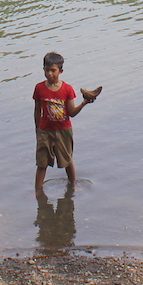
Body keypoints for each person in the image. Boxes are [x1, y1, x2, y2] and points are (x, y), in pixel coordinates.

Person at [33, 52, 101, 191]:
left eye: (53, 70)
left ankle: (73, 185)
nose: (49, 74)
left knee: (67, 160)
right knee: (42, 163)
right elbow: (37, 111)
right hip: (45, 130)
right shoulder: (39, 88)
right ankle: (37, 190)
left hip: (63, 130)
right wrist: (37, 130)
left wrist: (83, 104)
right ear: (43, 69)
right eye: (47, 70)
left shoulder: (67, 89)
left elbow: (71, 113)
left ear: (60, 71)